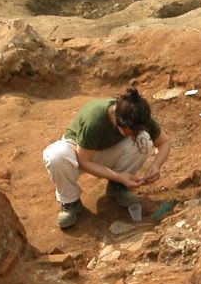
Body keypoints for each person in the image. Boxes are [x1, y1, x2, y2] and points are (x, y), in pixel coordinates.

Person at [42, 88, 172, 229]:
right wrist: (119, 176)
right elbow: (83, 161)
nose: (135, 133)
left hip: (103, 151)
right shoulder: (95, 120)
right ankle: (70, 202)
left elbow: (164, 142)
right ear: (119, 122)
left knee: (144, 140)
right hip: (77, 151)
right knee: (56, 157)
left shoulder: (137, 115)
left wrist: (156, 165)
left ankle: (118, 188)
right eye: (132, 131)